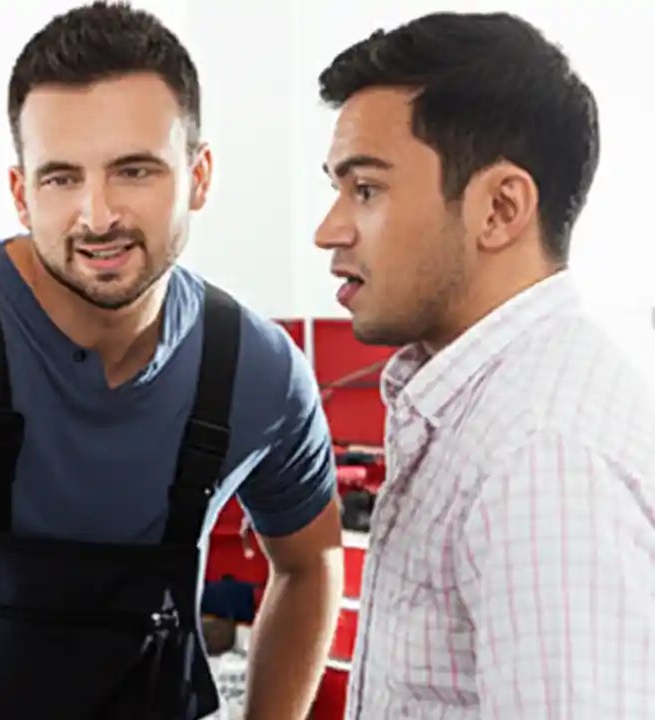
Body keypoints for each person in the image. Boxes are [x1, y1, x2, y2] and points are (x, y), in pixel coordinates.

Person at [0, 3, 344, 719]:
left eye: (134, 171)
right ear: (22, 193)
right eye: (61, 178)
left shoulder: (259, 370)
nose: (97, 215)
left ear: (199, 175)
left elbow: (310, 563)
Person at [314, 11, 655, 719]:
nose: (329, 229)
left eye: (366, 189)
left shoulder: (541, 458)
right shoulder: (485, 407)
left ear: (500, 209)